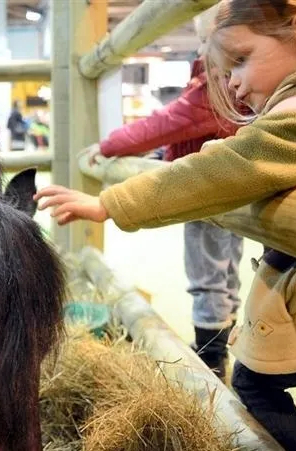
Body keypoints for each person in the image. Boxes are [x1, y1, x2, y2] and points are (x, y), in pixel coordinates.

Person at [34, 1, 296, 451]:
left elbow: (228, 165)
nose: (236, 86)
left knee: (251, 385)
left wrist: (112, 202)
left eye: (241, 61)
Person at [86, 5, 243, 380]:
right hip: (226, 187)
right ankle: (222, 343)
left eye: (205, 40)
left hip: (208, 190)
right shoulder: (222, 80)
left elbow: (171, 122)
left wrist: (110, 145)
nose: (202, 49)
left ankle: (211, 355)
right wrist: (163, 154)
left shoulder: (217, 84)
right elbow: (185, 129)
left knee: (207, 271)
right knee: (226, 268)